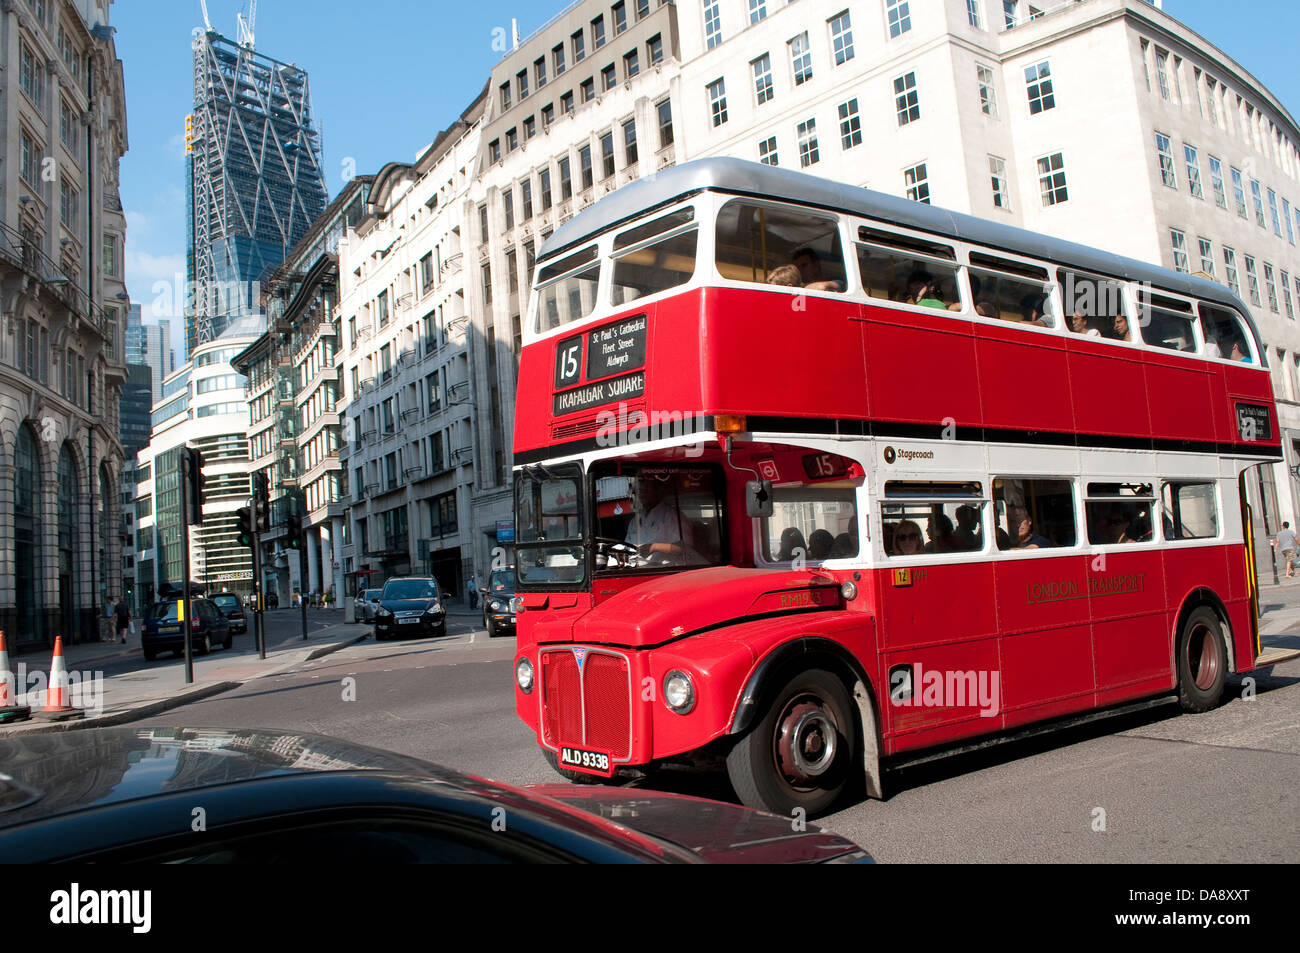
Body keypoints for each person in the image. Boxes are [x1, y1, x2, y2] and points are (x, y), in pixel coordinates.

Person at [624, 477, 697, 564]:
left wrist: (654, 547)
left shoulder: (672, 516)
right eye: (641, 490)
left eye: (647, 489)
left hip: (663, 571)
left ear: (659, 490)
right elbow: (626, 548)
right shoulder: (634, 521)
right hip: (634, 570)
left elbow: (685, 548)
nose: (643, 493)